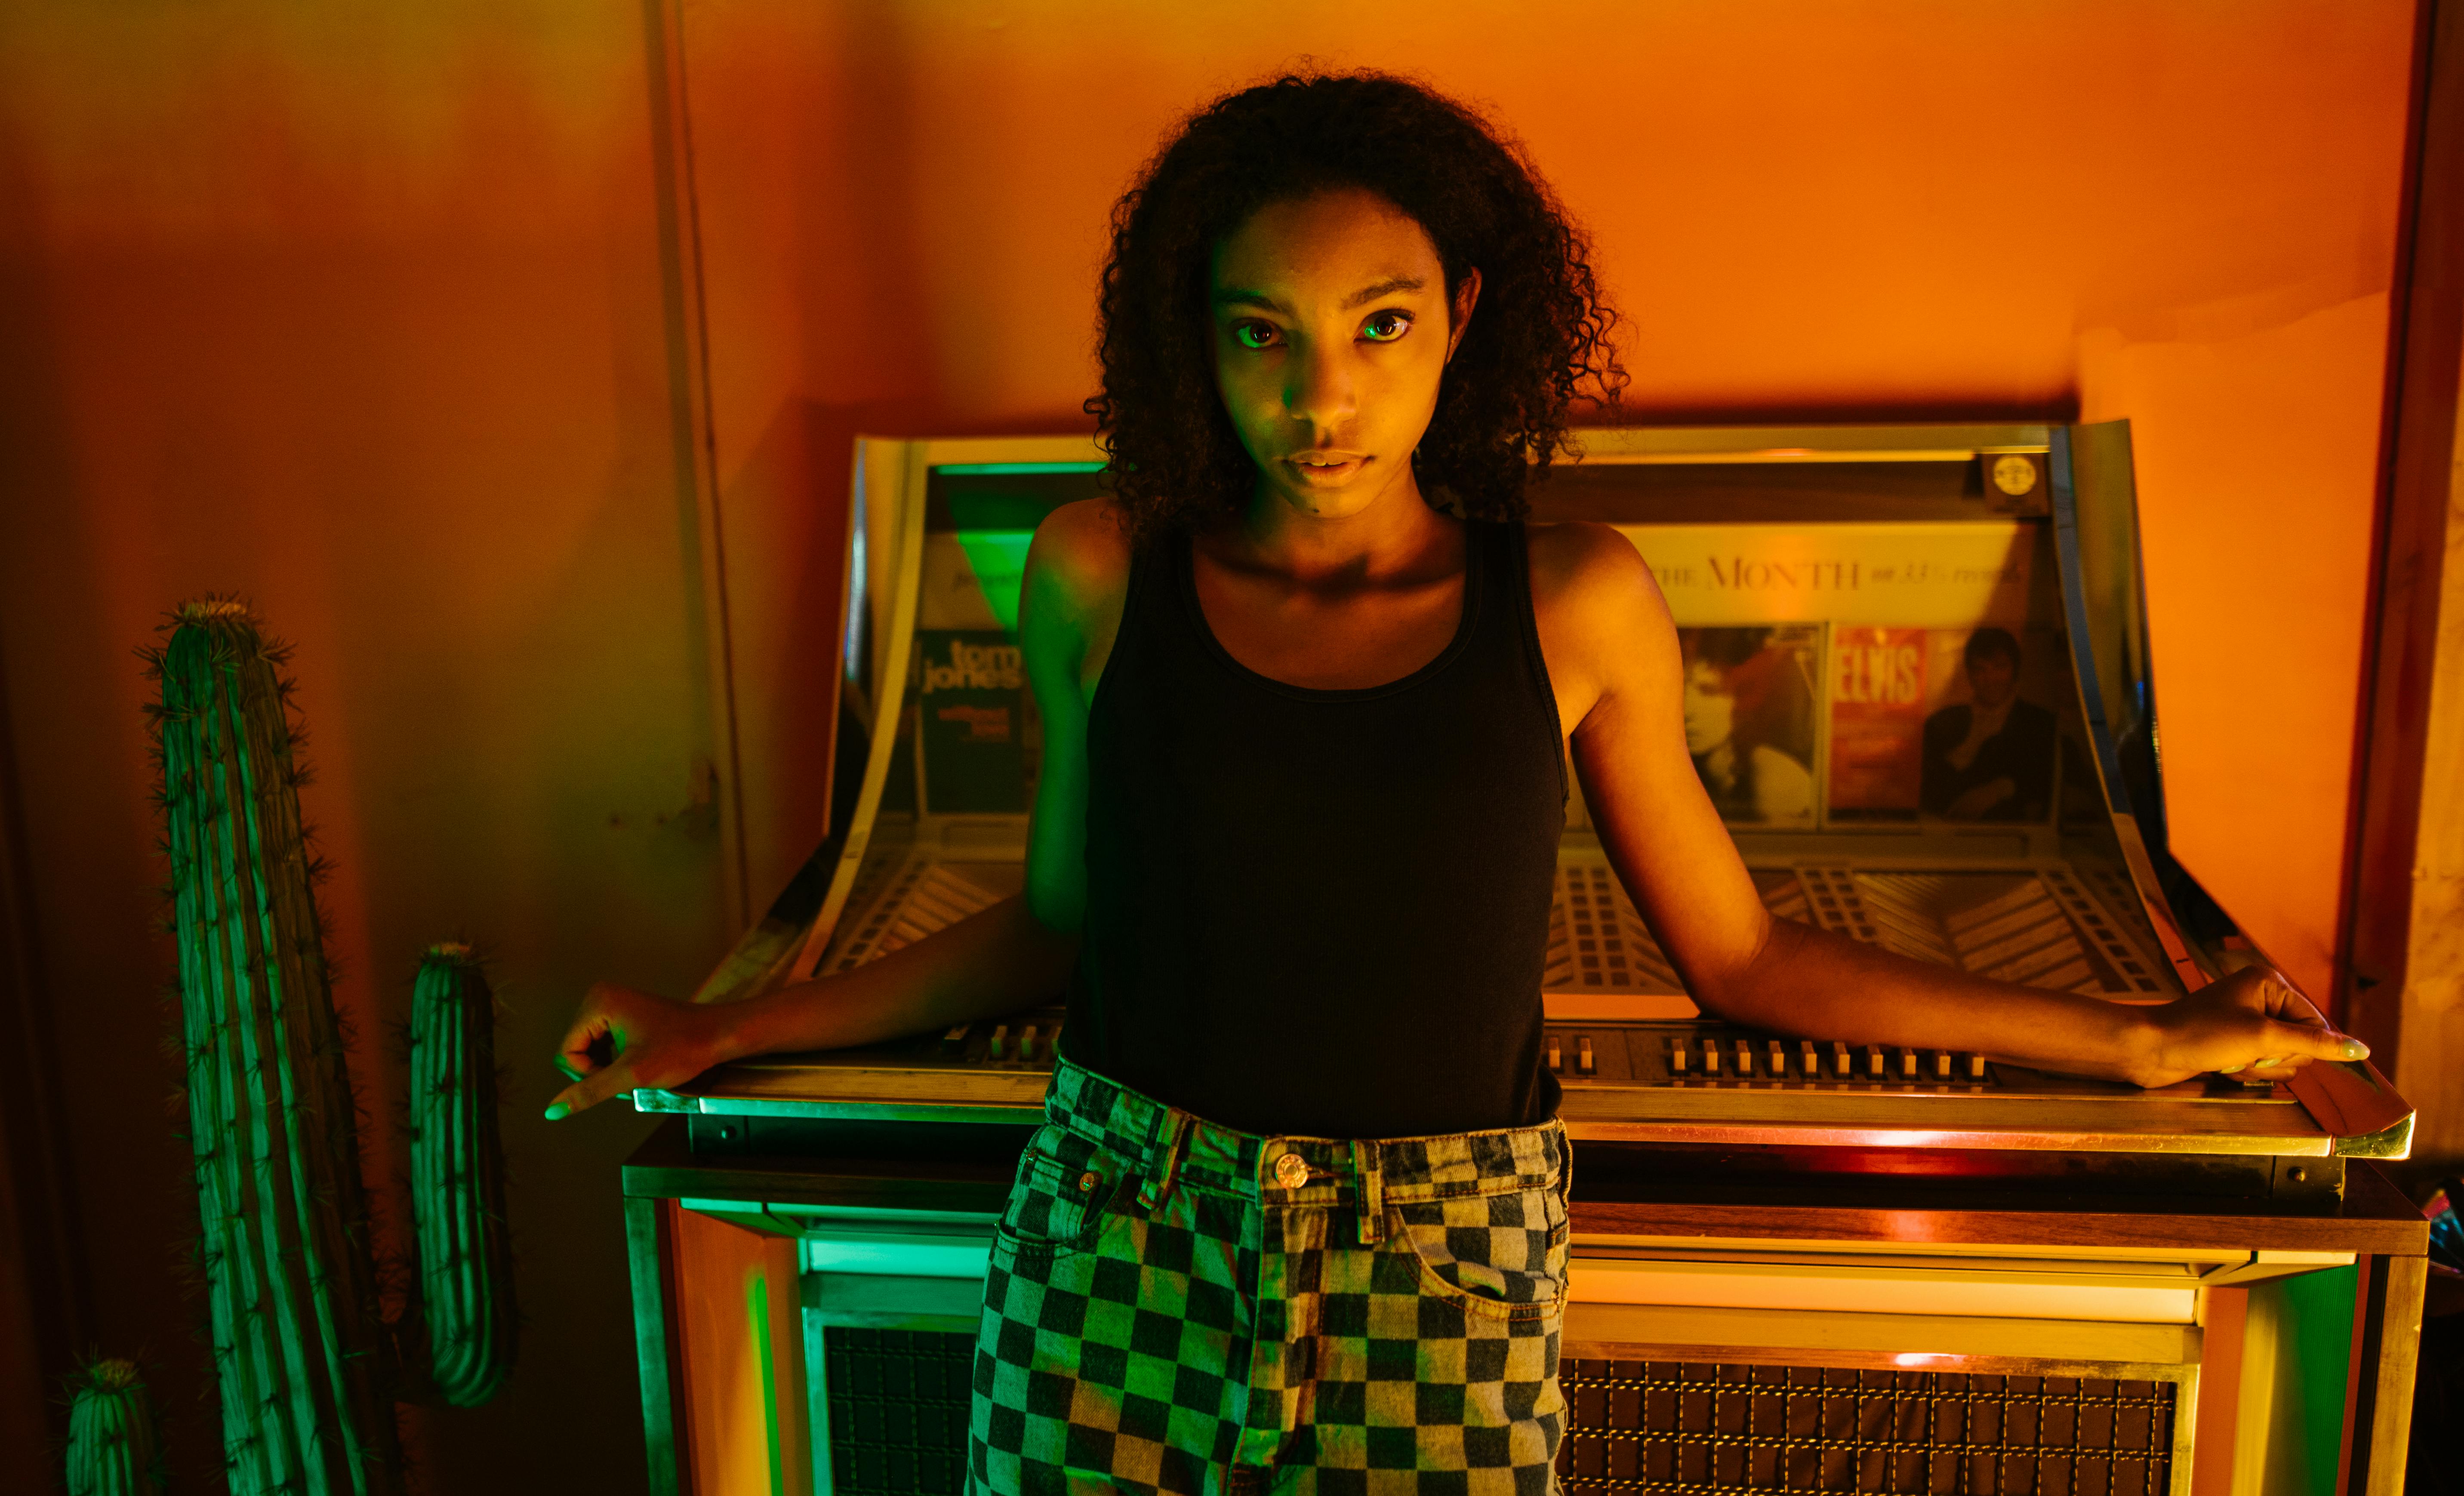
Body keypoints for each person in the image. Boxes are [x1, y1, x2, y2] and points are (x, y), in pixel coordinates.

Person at [545, 72, 2362, 1493]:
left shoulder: (1571, 602)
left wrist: (2139, 1040)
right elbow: (1057, 922)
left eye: (1377, 325)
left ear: (1463, 313)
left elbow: (1745, 958)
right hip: (1116, 1235)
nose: (1317, 399)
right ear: (1194, 337)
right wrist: (725, 1027)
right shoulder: (1097, 574)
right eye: (1259, 331)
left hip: (1442, 1260)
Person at [1680, 627, 1815, 825]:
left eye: (1707, 691)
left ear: (1738, 699)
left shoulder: (1775, 779)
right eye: (1679, 692)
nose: (1687, 710)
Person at [1921, 625, 2057, 821]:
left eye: (2000, 668)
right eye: (1981, 669)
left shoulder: (2041, 724)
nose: (1991, 679)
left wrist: (2002, 788)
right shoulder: (1941, 722)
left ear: (2015, 670)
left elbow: (2049, 784)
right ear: (1970, 674)